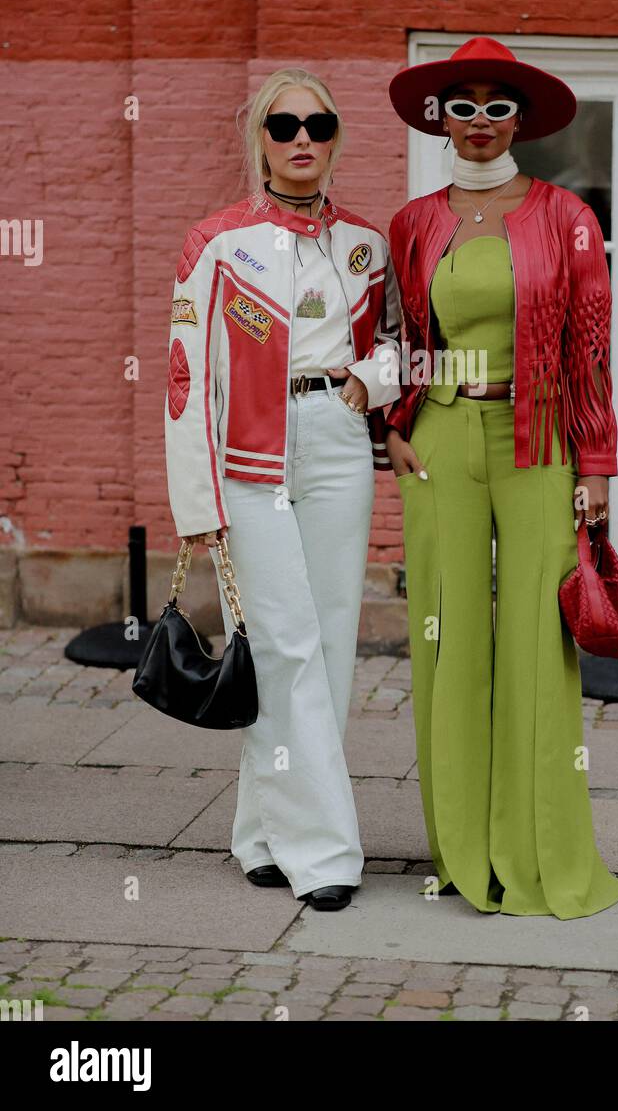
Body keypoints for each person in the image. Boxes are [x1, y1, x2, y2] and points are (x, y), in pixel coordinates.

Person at [385, 36, 618, 919]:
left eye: (499, 106)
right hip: (443, 440)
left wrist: (596, 464)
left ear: (520, 119)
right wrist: (396, 427)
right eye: (465, 105)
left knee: (538, 644)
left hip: (541, 443)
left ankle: (537, 854)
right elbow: (401, 337)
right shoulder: (414, 222)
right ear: (440, 118)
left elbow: (590, 349)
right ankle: (462, 853)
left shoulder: (566, 215)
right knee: (448, 638)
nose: (481, 121)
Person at [164, 68, 401, 911]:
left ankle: (262, 833)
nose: (303, 139)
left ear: (336, 137)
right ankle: (326, 853)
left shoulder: (367, 245)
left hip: (336, 441)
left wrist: (368, 382)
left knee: (330, 640)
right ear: (259, 139)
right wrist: (198, 505)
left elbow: (403, 350)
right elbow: (184, 378)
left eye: (319, 124)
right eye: (284, 125)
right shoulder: (216, 243)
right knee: (279, 638)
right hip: (248, 453)